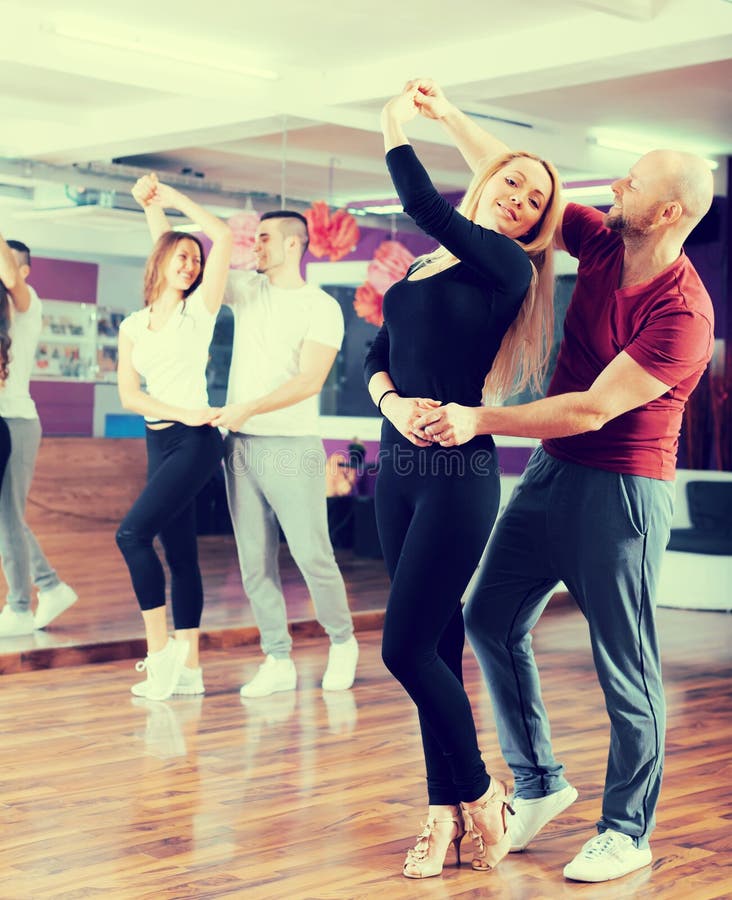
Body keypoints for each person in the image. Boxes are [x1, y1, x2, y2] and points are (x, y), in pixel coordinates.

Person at [413, 79, 715, 884]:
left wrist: (478, 418)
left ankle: (627, 830)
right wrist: (450, 117)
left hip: (623, 493)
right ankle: (541, 782)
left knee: (626, 665)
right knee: (488, 617)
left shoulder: (684, 312)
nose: (615, 185)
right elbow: (520, 182)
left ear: (666, 212)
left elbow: (591, 409)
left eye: (632, 182)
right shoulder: (607, 243)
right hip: (552, 473)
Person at [364, 83, 562, 879]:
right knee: (435, 648)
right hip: (399, 468)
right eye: (513, 181)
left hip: (457, 475)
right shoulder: (423, 267)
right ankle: (441, 816)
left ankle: (482, 795)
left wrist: (393, 121)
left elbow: (422, 202)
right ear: (489, 179)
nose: (520, 199)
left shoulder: (506, 266)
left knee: (403, 648)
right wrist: (391, 403)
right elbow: (377, 356)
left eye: (536, 200)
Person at [134, 176, 359, 698]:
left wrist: (247, 407)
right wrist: (155, 206)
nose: (252, 246)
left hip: (291, 447)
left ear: (293, 244)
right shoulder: (245, 290)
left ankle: (342, 641)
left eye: (262, 239)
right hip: (240, 446)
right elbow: (175, 261)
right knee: (254, 562)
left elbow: (310, 380)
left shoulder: (320, 306)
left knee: (311, 556)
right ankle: (277, 658)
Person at [118, 182, 232, 701]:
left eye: (196, 260)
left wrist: (172, 196)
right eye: (182, 257)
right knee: (180, 554)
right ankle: (190, 669)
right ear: (162, 260)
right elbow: (130, 396)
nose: (190, 265)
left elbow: (222, 235)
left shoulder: (199, 311)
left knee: (132, 535)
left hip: (197, 442)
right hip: (160, 440)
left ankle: (161, 654)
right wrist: (152, 208)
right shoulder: (134, 326)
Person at [0, 236, 78, 638]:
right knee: (6, 518)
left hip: (15, 422)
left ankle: (19, 606)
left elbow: (9, 276)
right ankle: (50, 586)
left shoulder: (27, 303)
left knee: (7, 518)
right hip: (7, 421)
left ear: (24, 271)